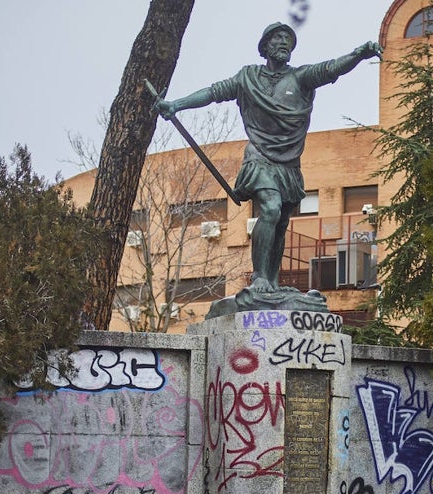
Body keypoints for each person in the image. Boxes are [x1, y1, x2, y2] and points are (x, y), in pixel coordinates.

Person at [157, 22, 381, 293]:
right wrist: (176, 104)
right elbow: (213, 93)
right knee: (271, 208)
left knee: (281, 222)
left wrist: (358, 54)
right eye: (278, 38)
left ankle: (271, 281)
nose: (284, 42)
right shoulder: (248, 78)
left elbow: (331, 68)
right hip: (259, 155)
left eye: (288, 38)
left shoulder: (300, 78)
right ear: (265, 47)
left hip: (289, 161)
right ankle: (260, 277)